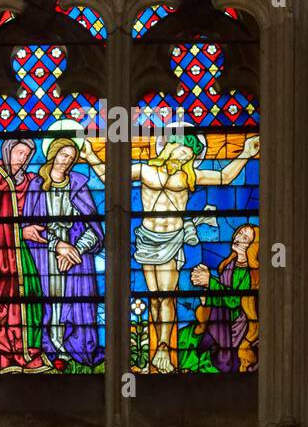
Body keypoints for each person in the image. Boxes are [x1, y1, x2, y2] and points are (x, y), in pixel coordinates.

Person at [83, 132, 259, 373]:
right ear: (168, 148)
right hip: (146, 239)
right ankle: (157, 349)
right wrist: (91, 156)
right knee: (154, 297)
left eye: (190, 155)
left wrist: (247, 153)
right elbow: (110, 178)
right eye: (181, 151)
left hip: (172, 240)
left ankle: (164, 348)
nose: (185, 156)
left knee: (167, 296)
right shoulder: (145, 170)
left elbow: (224, 177)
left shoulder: (189, 176)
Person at [20, 137, 104, 368]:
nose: (66, 161)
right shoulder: (37, 185)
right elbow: (30, 228)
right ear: (53, 154)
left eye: (71, 157)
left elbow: (94, 228)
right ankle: (52, 345)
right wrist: (58, 246)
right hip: (45, 255)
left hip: (76, 256)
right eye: (63, 155)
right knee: (51, 299)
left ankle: (70, 346)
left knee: (70, 299)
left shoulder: (78, 185)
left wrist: (75, 250)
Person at [0, 138, 46, 371]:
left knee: (32, 293)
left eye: (26, 155)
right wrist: (22, 231)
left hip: (16, 252)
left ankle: (27, 349)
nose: (23, 159)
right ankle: (4, 351)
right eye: (19, 153)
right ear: (7, 152)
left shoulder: (20, 180)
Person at [187, 223, 259, 373]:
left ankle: (222, 357)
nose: (238, 238)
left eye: (245, 237)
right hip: (223, 314)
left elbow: (234, 301)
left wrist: (209, 282)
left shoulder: (250, 272)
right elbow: (224, 292)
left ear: (253, 246)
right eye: (239, 233)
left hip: (238, 321)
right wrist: (208, 291)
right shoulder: (229, 263)